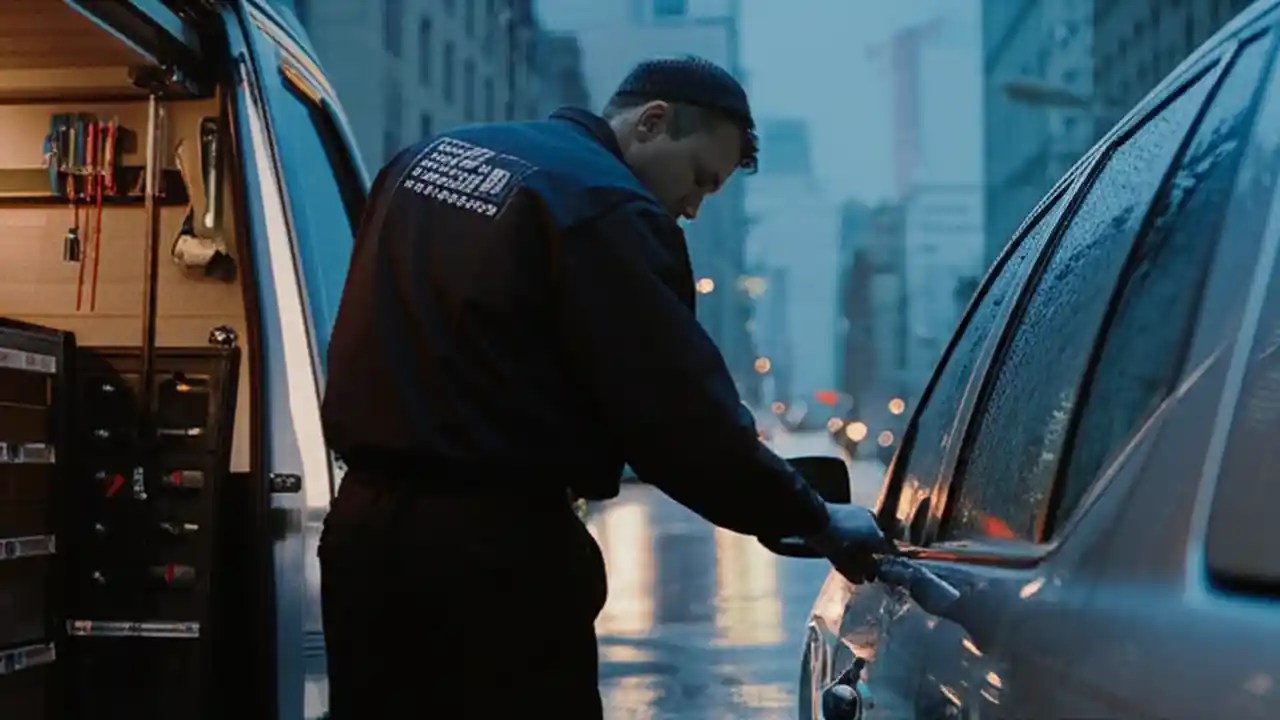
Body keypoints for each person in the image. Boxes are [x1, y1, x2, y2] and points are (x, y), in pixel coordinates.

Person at [318, 55, 892, 719]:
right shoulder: (603, 207)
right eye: (700, 179)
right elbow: (678, 418)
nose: (694, 209)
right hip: (497, 554)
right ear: (651, 122)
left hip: (362, 536)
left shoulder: (421, 162)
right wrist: (813, 518)